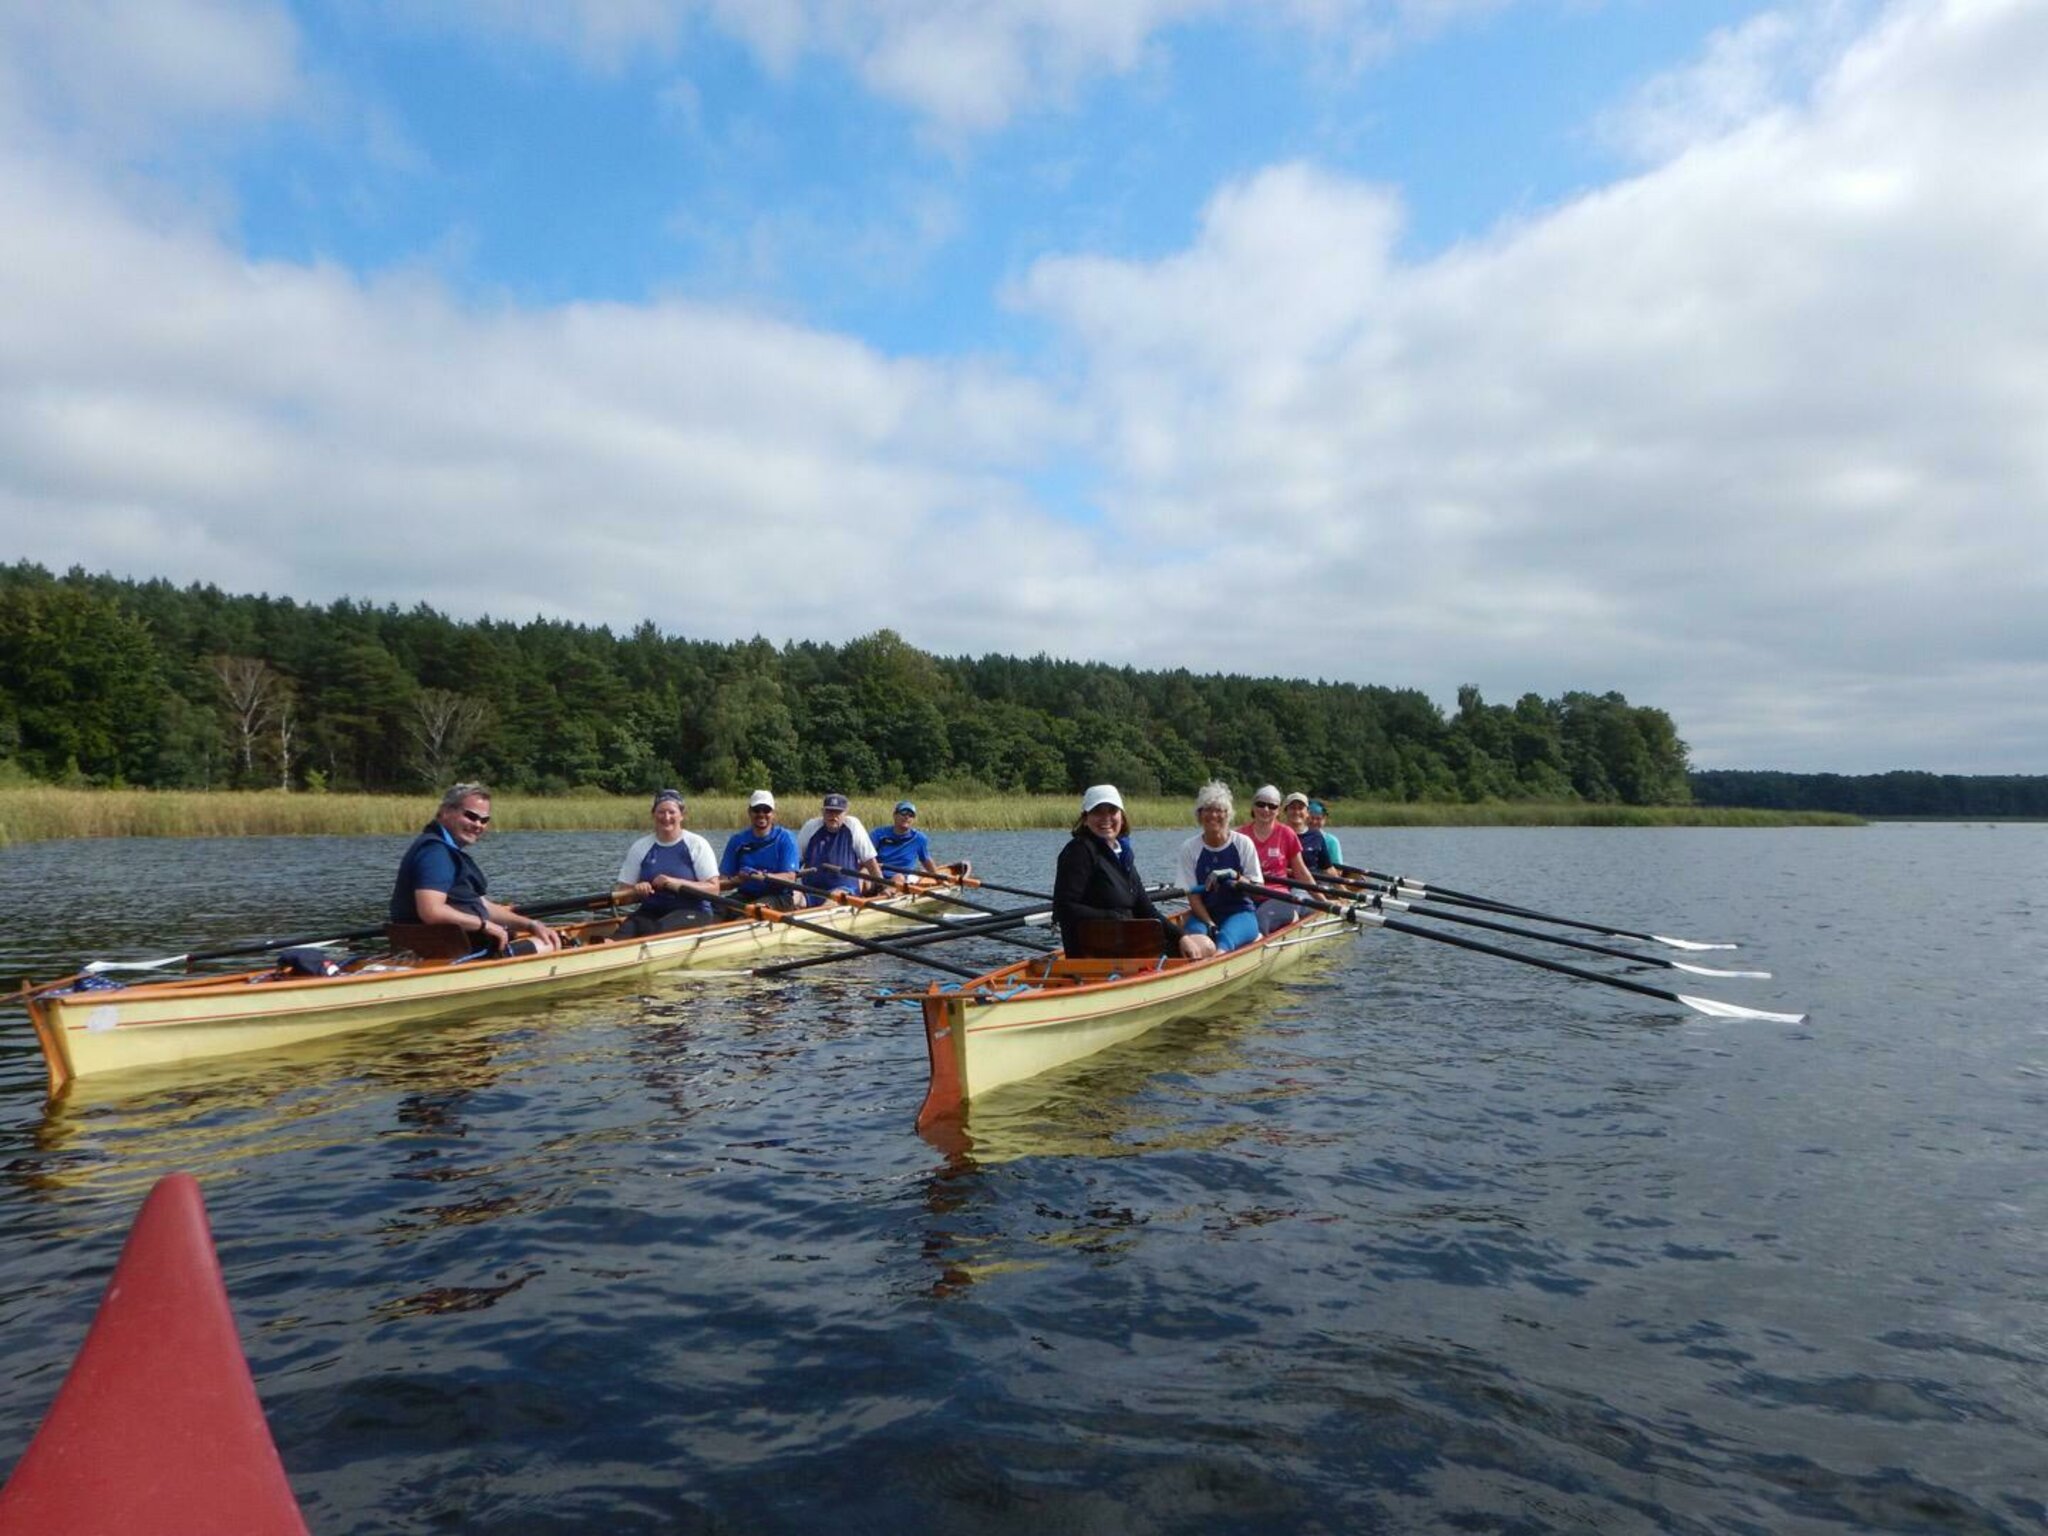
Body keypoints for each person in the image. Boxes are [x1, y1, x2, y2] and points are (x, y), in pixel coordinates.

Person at [389, 782, 559, 954]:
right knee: (554, 943)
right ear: (446, 811)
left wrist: (530, 924)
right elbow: (432, 911)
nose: (478, 824)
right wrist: (484, 925)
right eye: (471, 816)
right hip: (452, 951)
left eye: (484, 820)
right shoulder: (436, 853)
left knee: (540, 936)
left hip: (448, 945)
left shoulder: (441, 849)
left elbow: (481, 905)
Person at [1053, 784, 1205, 959]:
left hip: (1128, 945)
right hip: (1094, 955)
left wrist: (1181, 936)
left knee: (1200, 944)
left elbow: (1145, 908)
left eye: (1112, 811)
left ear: (1122, 817)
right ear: (1085, 819)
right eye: (1097, 812)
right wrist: (1112, 917)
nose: (1106, 818)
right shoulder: (1078, 852)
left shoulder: (1122, 854)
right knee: (1205, 945)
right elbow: (1064, 908)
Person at [608, 790, 723, 938]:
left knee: (658, 931)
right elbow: (623, 895)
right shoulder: (640, 847)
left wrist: (674, 882)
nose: (666, 817)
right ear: (653, 815)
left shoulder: (697, 844)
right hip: (650, 911)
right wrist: (637, 889)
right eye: (661, 812)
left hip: (693, 912)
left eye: (671, 812)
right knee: (619, 937)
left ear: (682, 815)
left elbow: (714, 889)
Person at [1177, 781, 1263, 955]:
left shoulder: (1242, 843)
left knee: (1224, 939)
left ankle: (1218, 958)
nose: (1213, 815)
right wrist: (1210, 925)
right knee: (1193, 942)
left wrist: (1235, 876)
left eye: (1219, 810)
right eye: (1207, 810)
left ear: (1228, 814)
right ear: (1200, 815)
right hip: (1204, 913)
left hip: (1241, 912)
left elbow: (1257, 890)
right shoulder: (1189, 848)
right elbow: (1194, 898)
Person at [1240, 783, 1316, 934]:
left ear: (1279, 810)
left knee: (1261, 919)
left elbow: (1301, 873)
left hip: (1278, 896)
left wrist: (1323, 901)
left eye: (1272, 806)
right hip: (1248, 894)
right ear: (1253, 807)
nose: (1266, 810)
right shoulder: (1240, 836)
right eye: (1261, 804)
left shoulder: (1287, 833)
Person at [790, 793, 886, 902]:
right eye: (829, 811)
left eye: (838, 812)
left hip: (845, 890)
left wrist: (882, 886)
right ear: (823, 812)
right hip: (811, 890)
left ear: (845, 813)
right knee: (792, 897)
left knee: (834, 897)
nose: (833, 816)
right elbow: (795, 862)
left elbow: (869, 860)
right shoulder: (811, 827)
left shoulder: (853, 825)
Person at [720, 789, 801, 909]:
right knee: (716, 908)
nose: (761, 814)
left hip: (778, 896)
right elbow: (722, 881)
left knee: (752, 910)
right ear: (749, 812)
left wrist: (763, 876)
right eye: (757, 810)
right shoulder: (737, 840)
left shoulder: (785, 838)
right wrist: (737, 880)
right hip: (745, 895)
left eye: (766, 810)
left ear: (773, 813)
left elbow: (790, 878)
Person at [872, 800, 970, 885]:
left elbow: (926, 860)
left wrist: (939, 879)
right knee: (863, 872)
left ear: (913, 819)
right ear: (895, 815)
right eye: (904, 813)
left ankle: (881, 896)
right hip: (876, 875)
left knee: (898, 878)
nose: (907, 817)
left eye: (911, 815)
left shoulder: (919, 838)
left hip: (899, 878)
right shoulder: (879, 834)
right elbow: (865, 857)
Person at [1284, 791, 1336, 876]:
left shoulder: (1316, 836)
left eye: (1300, 808)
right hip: (1284, 883)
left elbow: (1328, 868)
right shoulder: (1277, 834)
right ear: (1285, 811)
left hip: (1311, 883)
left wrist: (1342, 888)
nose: (1296, 812)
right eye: (1292, 808)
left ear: (1307, 812)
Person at [1306, 799, 1344, 870]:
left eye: (1318, 819)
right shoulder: (1297, 837)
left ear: (1324, 819)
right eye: (1311, 818)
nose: (1314, 822)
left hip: (1323, 878)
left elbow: (1338, 870)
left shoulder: (1332, 841)